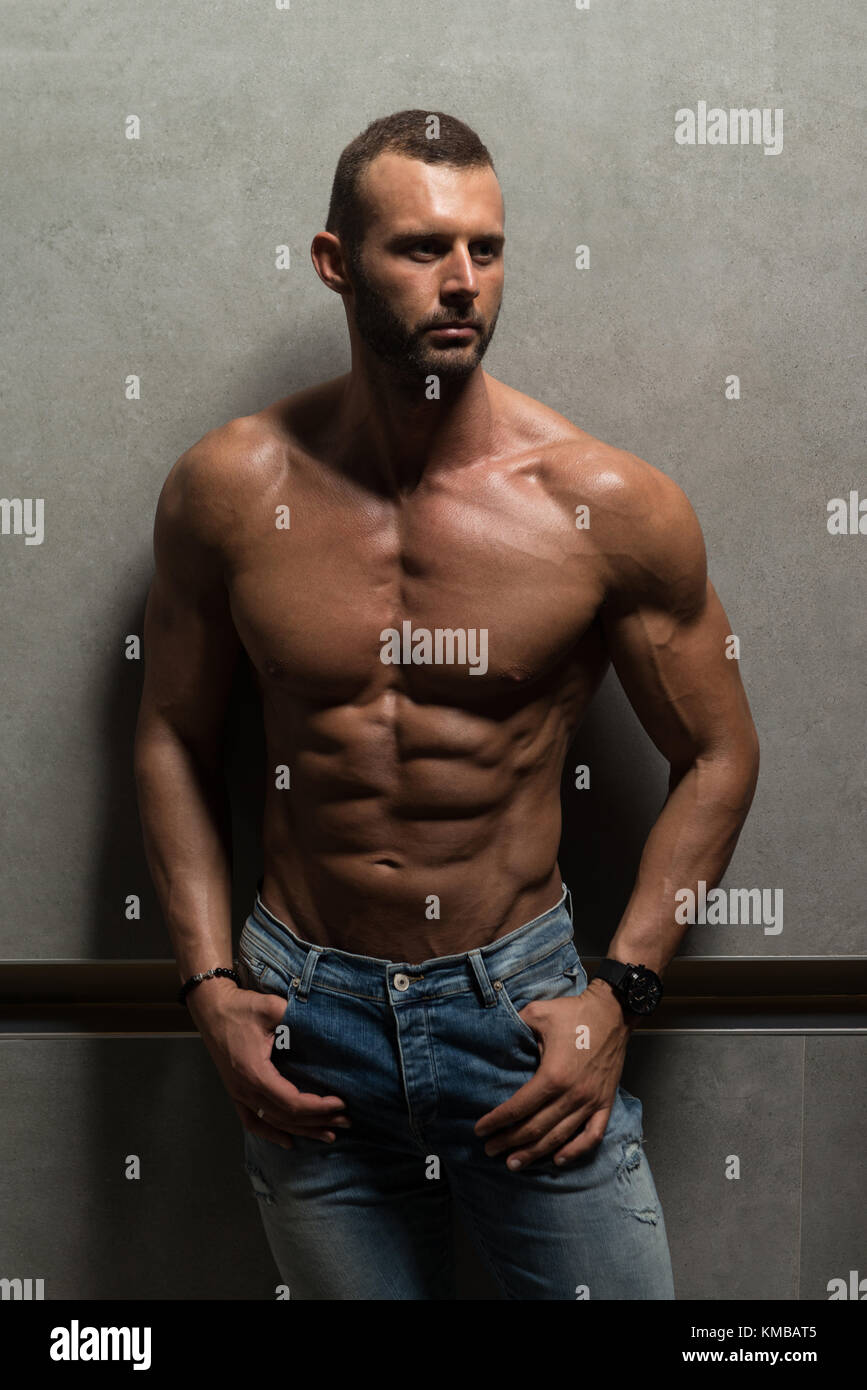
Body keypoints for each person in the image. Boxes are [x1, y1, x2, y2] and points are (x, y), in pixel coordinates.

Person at [134, 109, 760, 1300]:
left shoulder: (604, 503)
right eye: (421, 248)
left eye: (487, 247)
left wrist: (620, 992)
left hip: (519, 1022)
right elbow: (172, 731)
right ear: (336, 262)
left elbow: (722, 753)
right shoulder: (227, 490)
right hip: (298, 1021)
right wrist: (209, 993)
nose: (464, 281)